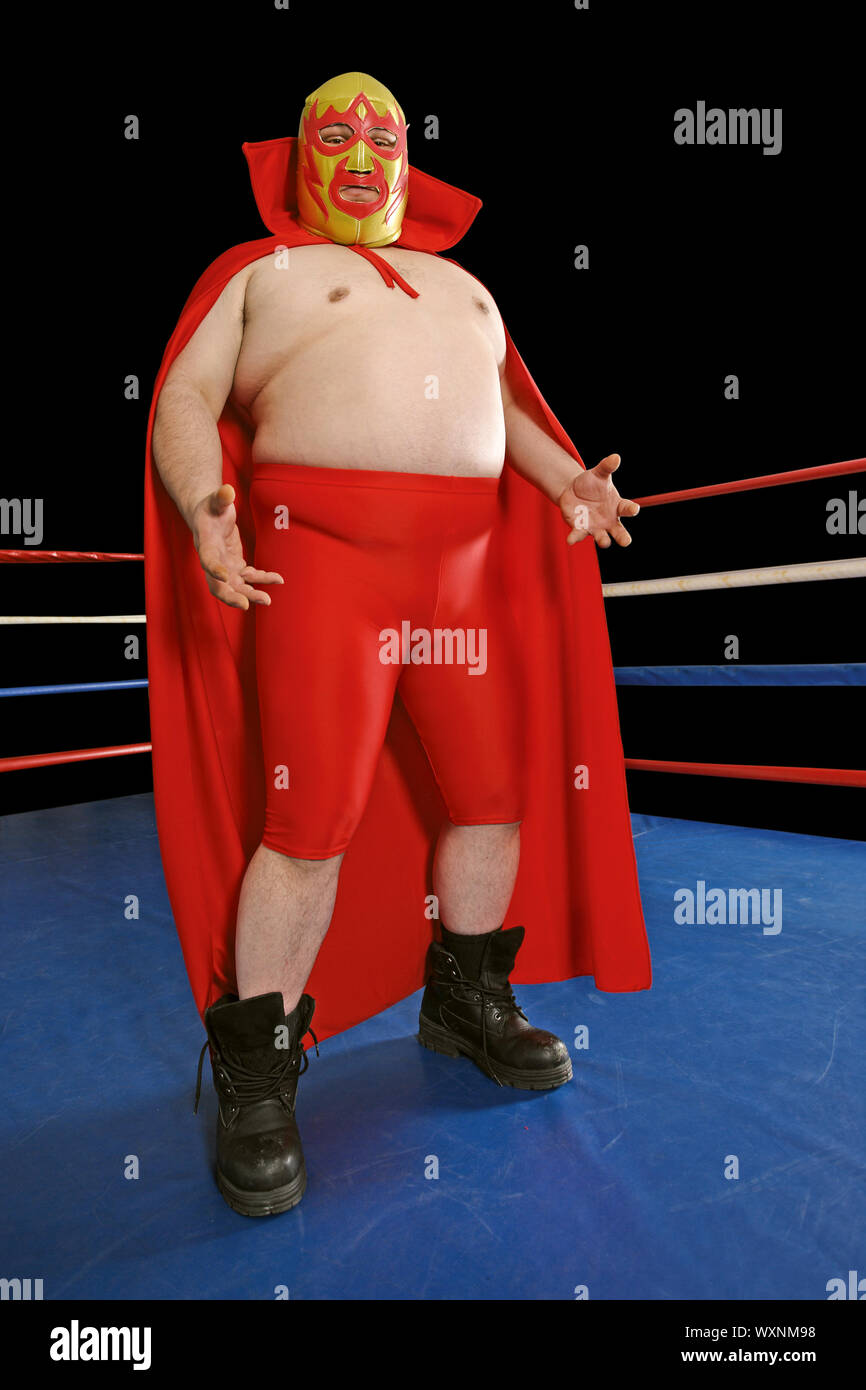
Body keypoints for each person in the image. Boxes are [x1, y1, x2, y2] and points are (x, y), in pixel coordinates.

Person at [148, 71, 649, 1218]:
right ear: (296, 156)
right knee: (307, 818)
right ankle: (258, 1072)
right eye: (337, 130)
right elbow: (186, 395)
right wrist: (202, 503)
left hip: (465, 569)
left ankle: (466, 998)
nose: (364, 145)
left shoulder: (465, 288)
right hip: (322, 556)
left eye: (386, 131)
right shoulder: (258, 271)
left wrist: (564, 476)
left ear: (412, 158)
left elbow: (506, 404)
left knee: (490, 797)